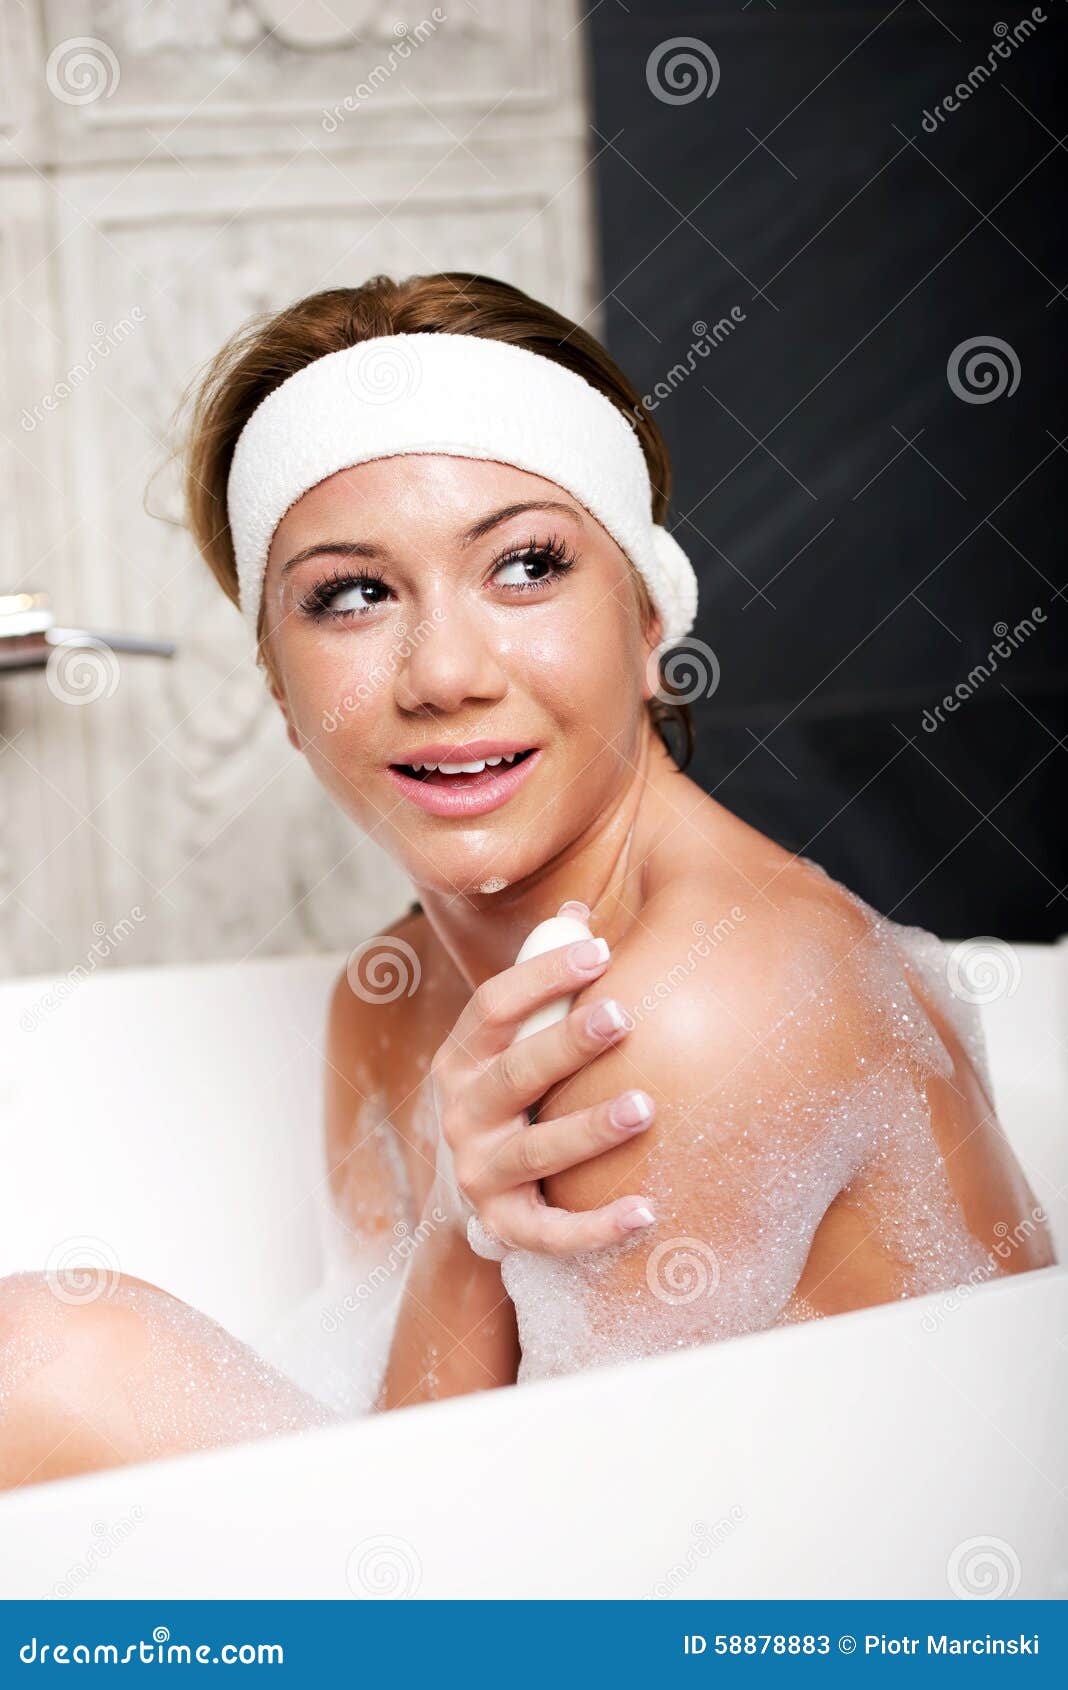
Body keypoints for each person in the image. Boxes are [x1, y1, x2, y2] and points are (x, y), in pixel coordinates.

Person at [0, 272, 1053, 1488]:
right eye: (351, 594)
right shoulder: (390, 1011)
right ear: (279, 694)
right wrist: (460, 1230)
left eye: (526, 566)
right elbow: (431, 1528)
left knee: (53, 1362)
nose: (443, 670)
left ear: (652, 619)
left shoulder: (690, 1011)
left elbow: (540, 1593)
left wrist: (459, 1233)